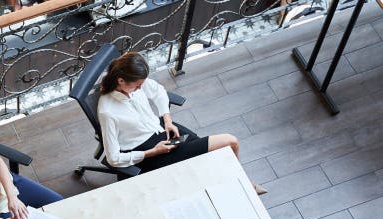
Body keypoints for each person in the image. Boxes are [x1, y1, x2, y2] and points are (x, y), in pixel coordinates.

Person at [98, 52, 267, 194]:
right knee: (230, 141)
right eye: (137, 86)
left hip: (161, 130)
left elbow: (158, 92)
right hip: (148, 152)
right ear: (121, 81)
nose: (141, 88)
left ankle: (232, 185)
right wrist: (153, 152)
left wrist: (167, 120)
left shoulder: (134, 81)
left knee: (206, 154)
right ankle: (243, 185)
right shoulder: (108, 111)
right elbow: (113, 159)